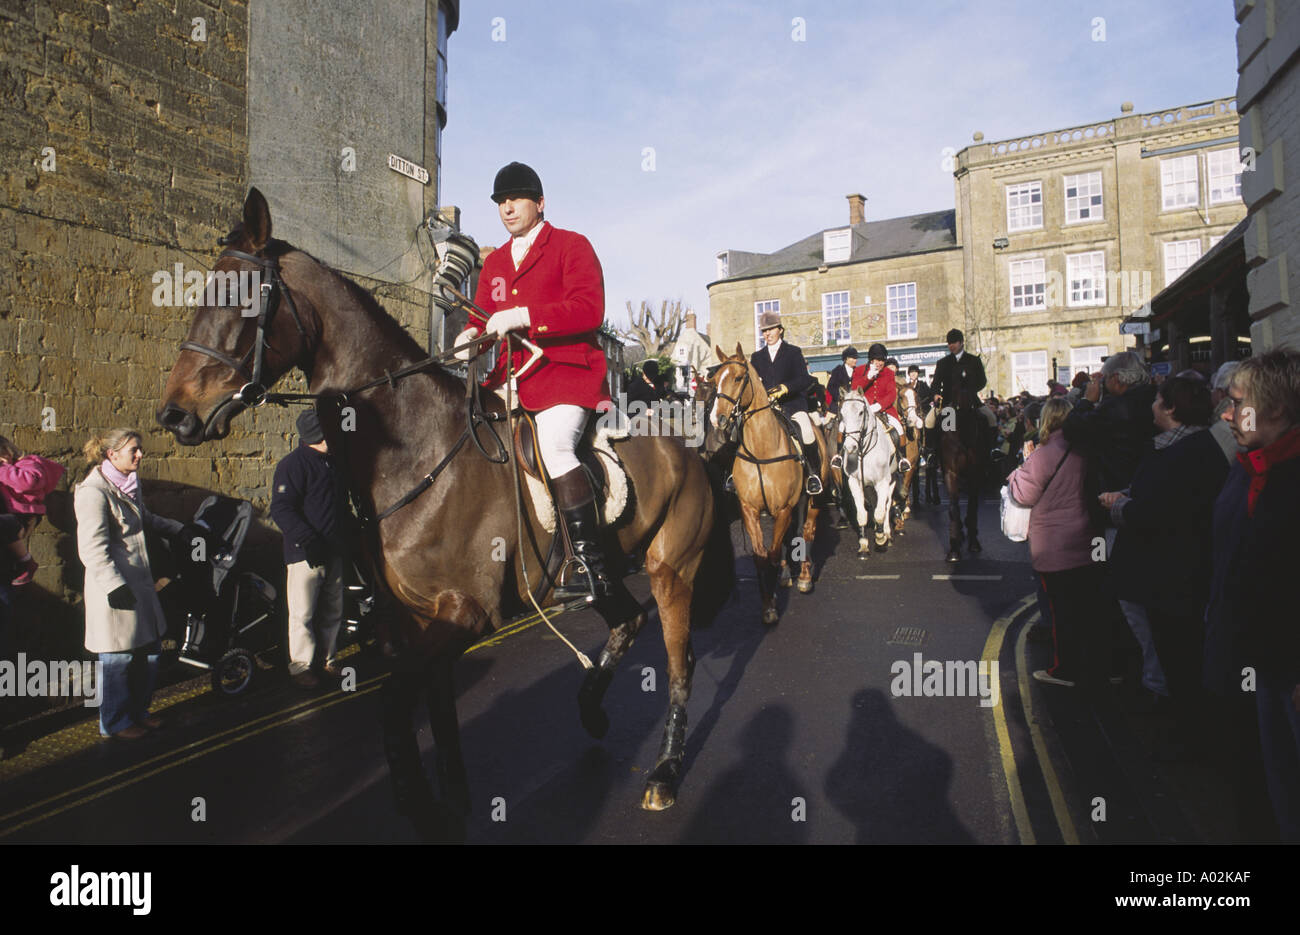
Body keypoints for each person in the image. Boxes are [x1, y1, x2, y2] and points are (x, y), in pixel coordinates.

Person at [454, 161, 613, 603]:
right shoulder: (496, 263)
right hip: (509, 377)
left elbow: (588, 310)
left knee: (555, 445)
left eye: (515, 199)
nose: (506, 208)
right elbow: (484, 318)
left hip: (565, 373)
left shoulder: (571, 246)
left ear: (539, 203)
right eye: (500, 202)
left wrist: (526, 316)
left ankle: (586, 561)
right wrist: (471, 336)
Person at [1100, 376, 1227, 755]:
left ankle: (1189, 735)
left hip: (1173, 579)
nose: (1153, 405)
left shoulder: (1187, 452)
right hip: (1167, 577)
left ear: (1172, 408)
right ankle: (1178, 719)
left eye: (1158, 400)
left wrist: (1119, 506)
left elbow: (1159, 512)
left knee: (1180, 658)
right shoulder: (1177, 447)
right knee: (1171, 653)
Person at [1203, 349, 1300, 841]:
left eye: (1236, 403)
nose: (1225, 413)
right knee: (1269, 795)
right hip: (1253, 665)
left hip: (1289, 674)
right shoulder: (1244, 467)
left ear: (1279, 410)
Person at [75, 429, 186, 740]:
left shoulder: (127, 484)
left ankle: (139, 713)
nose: (140, 455)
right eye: (134, 450)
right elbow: (93, 548)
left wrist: (178, 529)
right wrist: (114, 586)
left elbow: (145, 518)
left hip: (140, 585)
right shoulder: (93, 493)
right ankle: (115, 723)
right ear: (112, 454)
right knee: (118, 658)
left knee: (150, 653)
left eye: (140, 449)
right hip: (115, 589)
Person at [1006, 398, 1105, 690]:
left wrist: (1016, 473)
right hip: (1085, 536)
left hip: (1053, 543)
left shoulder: (1044, 454)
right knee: (1087, 607)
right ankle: (1100, 666)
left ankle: (1065, 669)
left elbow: (1023, 495)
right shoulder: (1085, 450)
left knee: (1061, 612)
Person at [270, 409, 350, 689]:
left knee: (333, 609)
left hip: (334, 550)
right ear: (316, 434)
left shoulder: (334, 463)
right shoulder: (292, 465)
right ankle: (301, 666)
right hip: (305, 553)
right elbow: (281, 509)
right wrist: (308, 541)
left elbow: (340, 507)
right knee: (302, 613)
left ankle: (328, 660)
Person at [750, 309, 823, 495]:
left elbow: (804, 379)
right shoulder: (756, 357)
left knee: (807, 431)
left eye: (771, 329)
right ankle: (735, 475)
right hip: (766, 409)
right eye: (764, 331)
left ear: (780, 330)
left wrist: (785, 388)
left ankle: (813, 475)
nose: (767, 334)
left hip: (792, 406)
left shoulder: (793, 352)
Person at [0, 436, 65, 585]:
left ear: (7, 453)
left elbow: (31, 481)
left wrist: (2, 469)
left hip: (22, 514)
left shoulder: (28, 463)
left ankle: (26, 561)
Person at [929, 328, 997, 452]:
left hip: (971, 402)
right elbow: (936, 383)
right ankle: (932, 454)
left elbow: (982, 381)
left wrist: (969, 392)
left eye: (954, 342)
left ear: (961, 343)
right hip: (948, 404)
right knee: (929, 421)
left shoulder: (974, 360)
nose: (951, 346)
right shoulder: (943, 363)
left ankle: (991, 451)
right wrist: (936, 394)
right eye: (949, 343)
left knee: (991, 418)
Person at [851, 344, 911, 472]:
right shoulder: (860, 371)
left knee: (899, 429)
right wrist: (868, 377)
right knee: (847, 429)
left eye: (882, 360)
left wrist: (879, 405)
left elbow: (891, 394)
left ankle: (902, 459)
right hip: (863, 411)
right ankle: (843, 458)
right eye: (877, 360)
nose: (880, 363)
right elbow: (854, 390)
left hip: (884, 410)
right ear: (871, 360)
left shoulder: (888, 373)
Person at [826, 347, 857, 414]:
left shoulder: (858, 371)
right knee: (829, 422)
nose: (855, 360)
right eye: (853, 358)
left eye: (856, 358)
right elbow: (830, 387)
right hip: (838, 404)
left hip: (854, 403)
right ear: (846, 359)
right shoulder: (837, 370)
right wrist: (839, 397)